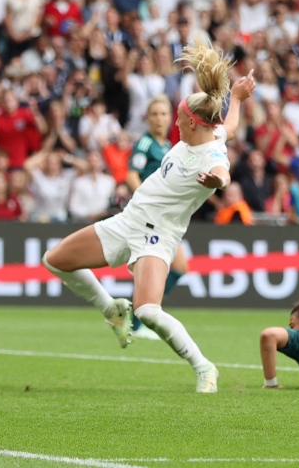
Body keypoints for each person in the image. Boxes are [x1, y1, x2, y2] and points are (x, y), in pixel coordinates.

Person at [42, 36, 255, 393]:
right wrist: (238, 97)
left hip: (157, 236)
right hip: (127, 221)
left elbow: (223, 172)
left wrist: (217, 180)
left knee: (149, 311)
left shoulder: (212, 156)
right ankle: (111, 310)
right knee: (55, 260)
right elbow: (229, 126)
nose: (175, 123)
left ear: (193, 123)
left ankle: (203, 367)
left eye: (179, 118)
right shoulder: (207, 135)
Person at [124, 95, 191, 341]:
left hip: (166, 217)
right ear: (148, 118)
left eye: (164, 114)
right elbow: (132, 175)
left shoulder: (166, 146)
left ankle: (139, 317)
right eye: (155, 114)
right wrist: (148, 202)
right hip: (152, 216)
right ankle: (139, 322)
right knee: (151, 269)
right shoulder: (145, 144)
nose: (160, 119)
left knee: (179, 267)